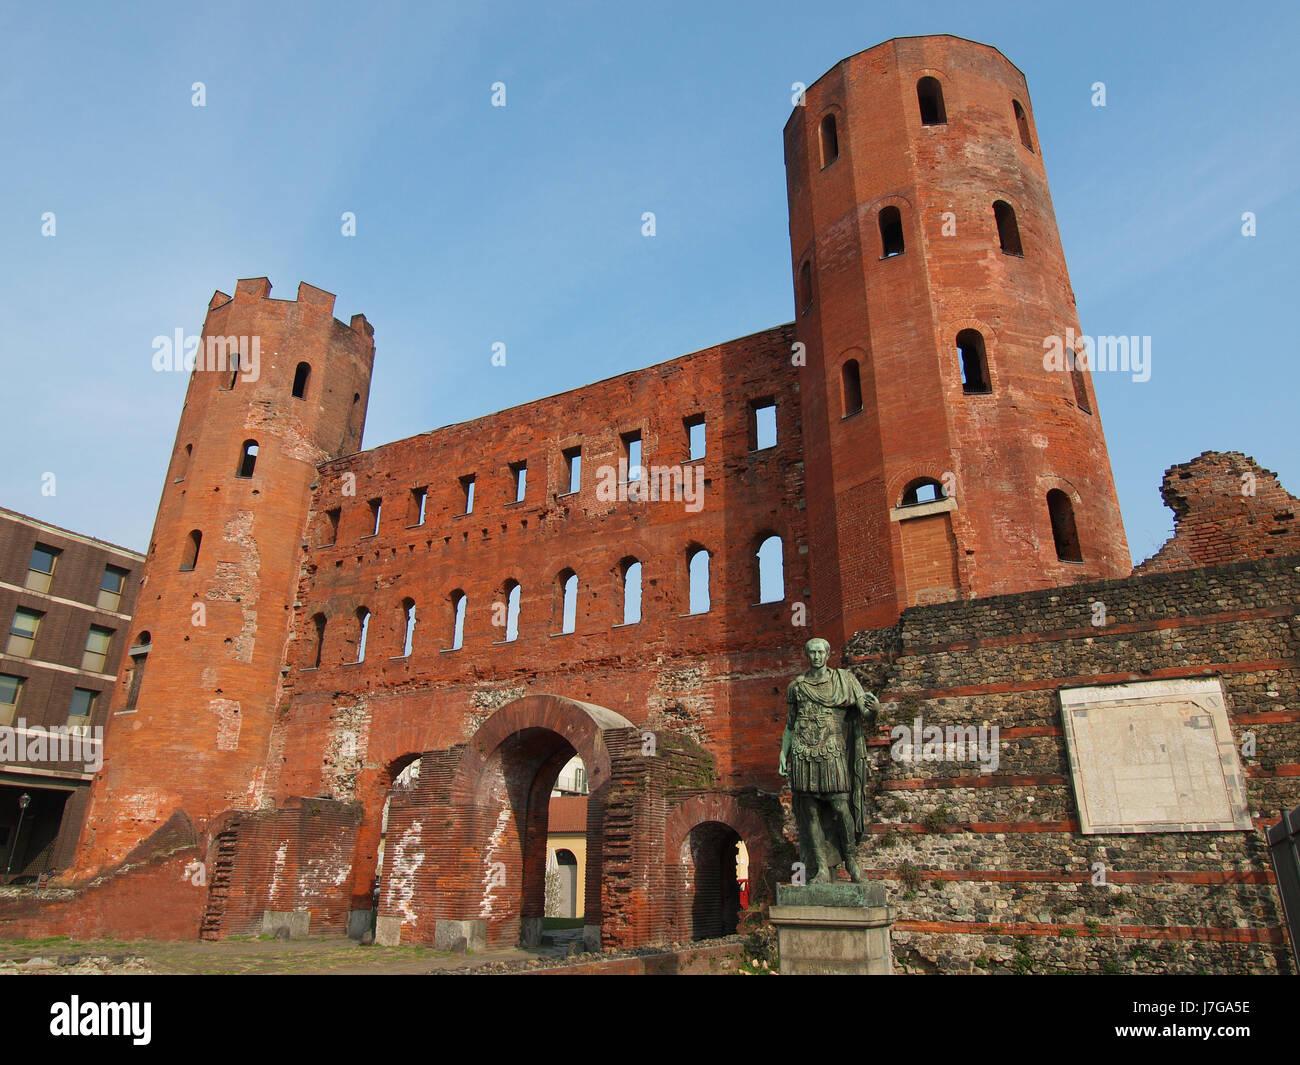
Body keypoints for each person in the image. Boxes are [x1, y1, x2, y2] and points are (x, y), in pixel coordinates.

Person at [778, 637, 878, 882]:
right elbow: (791, 725)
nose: (816, 657)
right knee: (809, 811)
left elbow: (864, 713)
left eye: (821, 652)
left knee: (841, 806)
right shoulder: (797, 686)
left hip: (832, 750)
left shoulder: (844, 680)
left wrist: (874, 710)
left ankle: (852, 861)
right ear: (807, 655)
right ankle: (821, 868)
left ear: (828, 653)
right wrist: (783, 753)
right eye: (812, 652)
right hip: (803, 753)